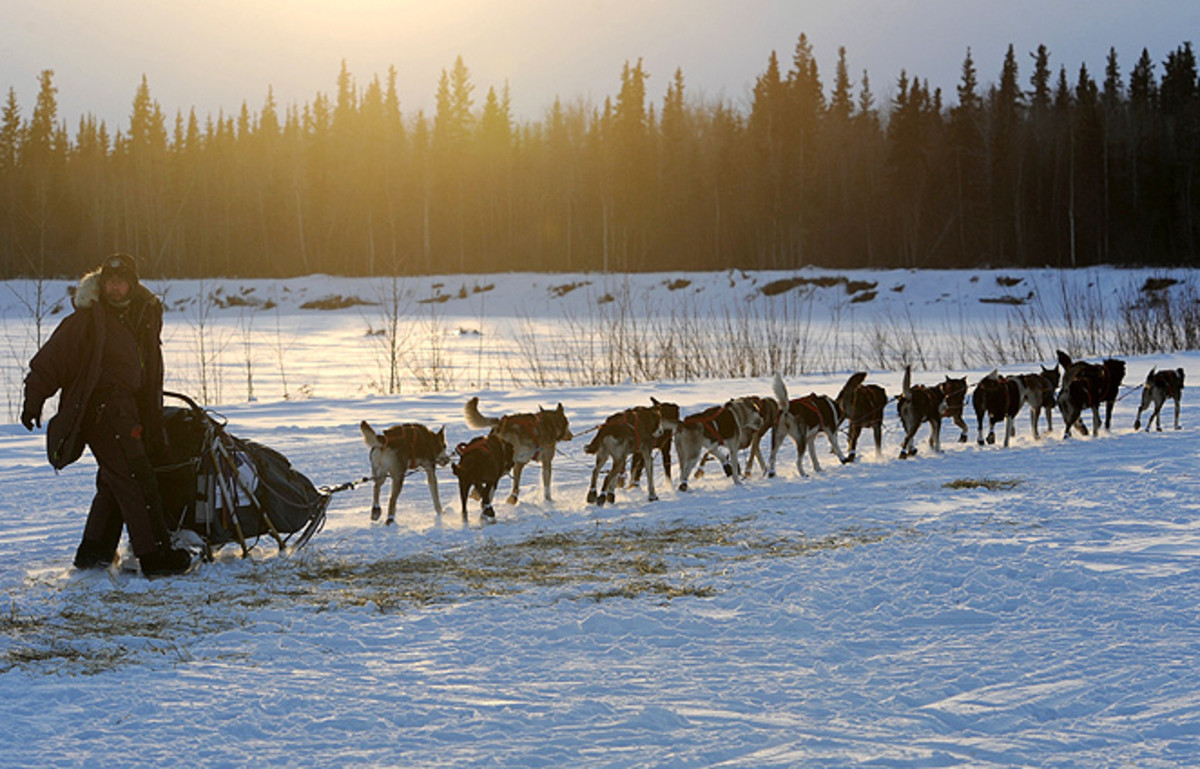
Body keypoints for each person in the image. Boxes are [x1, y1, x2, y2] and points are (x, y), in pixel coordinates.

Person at [20, 253, 191, 577]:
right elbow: (50, 361)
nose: (115, 288)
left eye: (121, 281)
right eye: (109, 282)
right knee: (137, 479)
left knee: (115, 480)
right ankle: (156, 557)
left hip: (130, 411)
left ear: (131, 284)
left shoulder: (140, 315)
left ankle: (94, 552)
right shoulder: (87, 320)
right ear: (101, 284)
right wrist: (33, 401)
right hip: (104, 413)